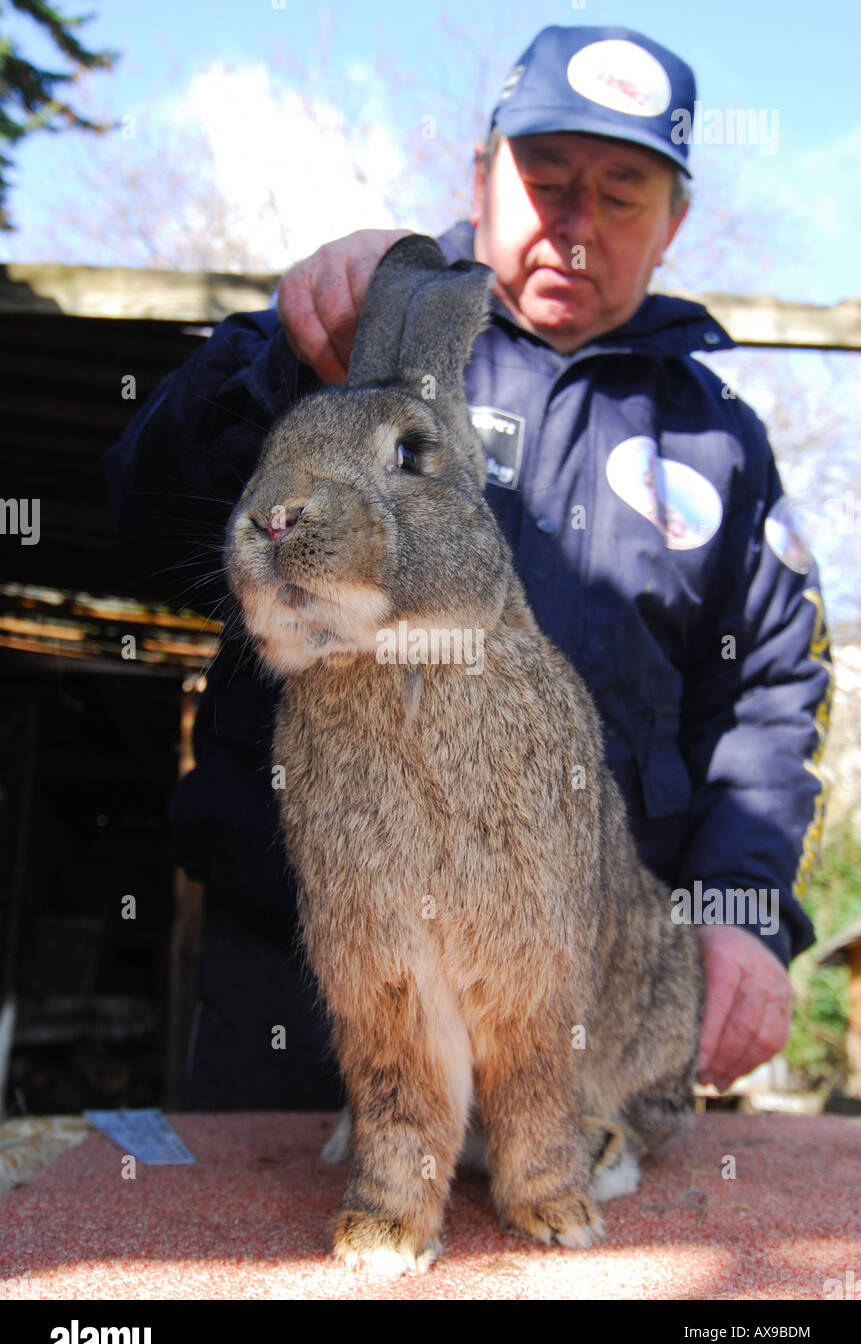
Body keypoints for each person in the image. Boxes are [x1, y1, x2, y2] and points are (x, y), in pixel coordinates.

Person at [104, 24, 832, 1113]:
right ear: (483, 171)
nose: (574, 226)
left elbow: (767, 693)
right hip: (307, 968)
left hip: (571, 991)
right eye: (544, 176)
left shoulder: (718, 437)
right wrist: (275, 365)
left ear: (675, 222)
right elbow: (141, 516)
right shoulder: (362, 337)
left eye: (622, 193)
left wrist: (738, 903)